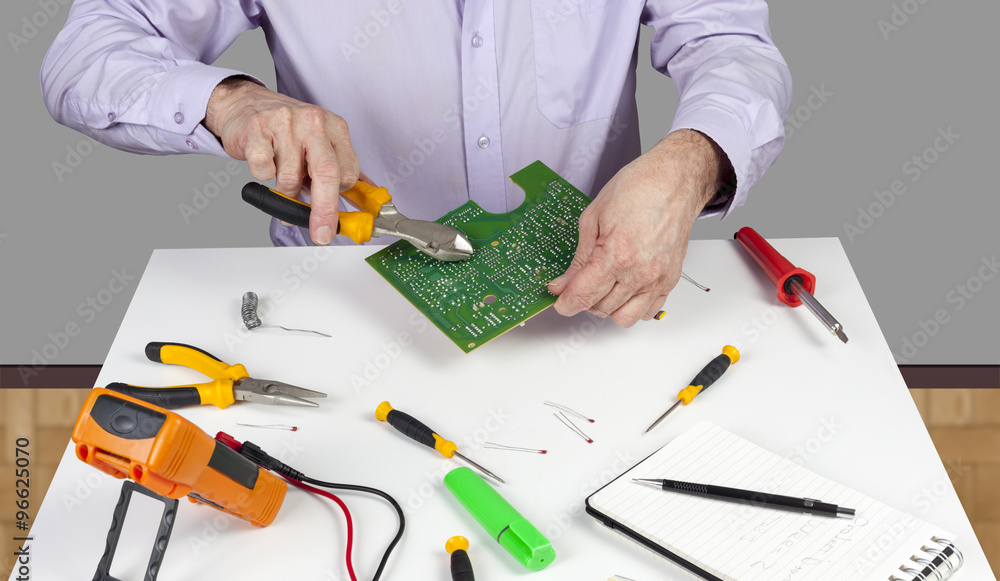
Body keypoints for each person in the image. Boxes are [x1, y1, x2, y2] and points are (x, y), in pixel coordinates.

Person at [41, 0, 791, 327]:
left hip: (596, 289)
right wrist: (229, 99)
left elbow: (730, 46)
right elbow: (87, 53)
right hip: (345, 303)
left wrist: (692, 162)